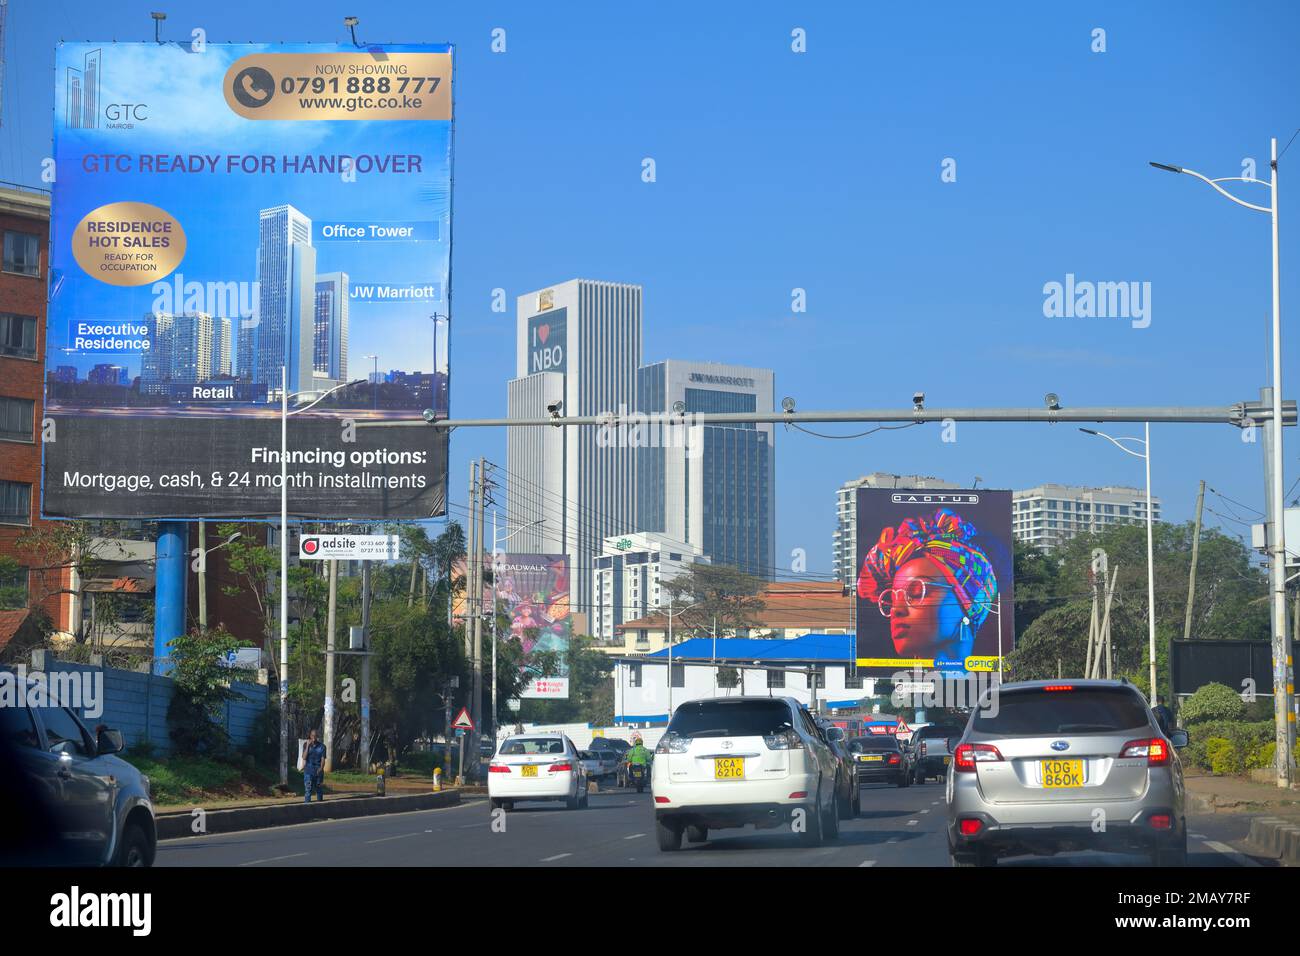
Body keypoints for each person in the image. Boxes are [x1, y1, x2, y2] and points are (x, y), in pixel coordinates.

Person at [856, 507, 998, 666]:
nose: (896, 609)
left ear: (969, 605)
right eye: (892, 599)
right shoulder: (900, 685)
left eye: (916, 592)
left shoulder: (997, 685)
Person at [302, 729, 326, 803]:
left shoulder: (322, 746)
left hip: (318, 770)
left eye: (315, 736)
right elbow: (304, 757)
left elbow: (323, 759)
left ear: (317, 736)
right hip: (308, 770)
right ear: (310, 736)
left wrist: (321, 768)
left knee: (319, 789)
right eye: (312, 736)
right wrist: (308, 746)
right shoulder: (306, 745)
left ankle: (320, 804)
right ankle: (307, 804)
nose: (314, 737)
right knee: (308, 789)